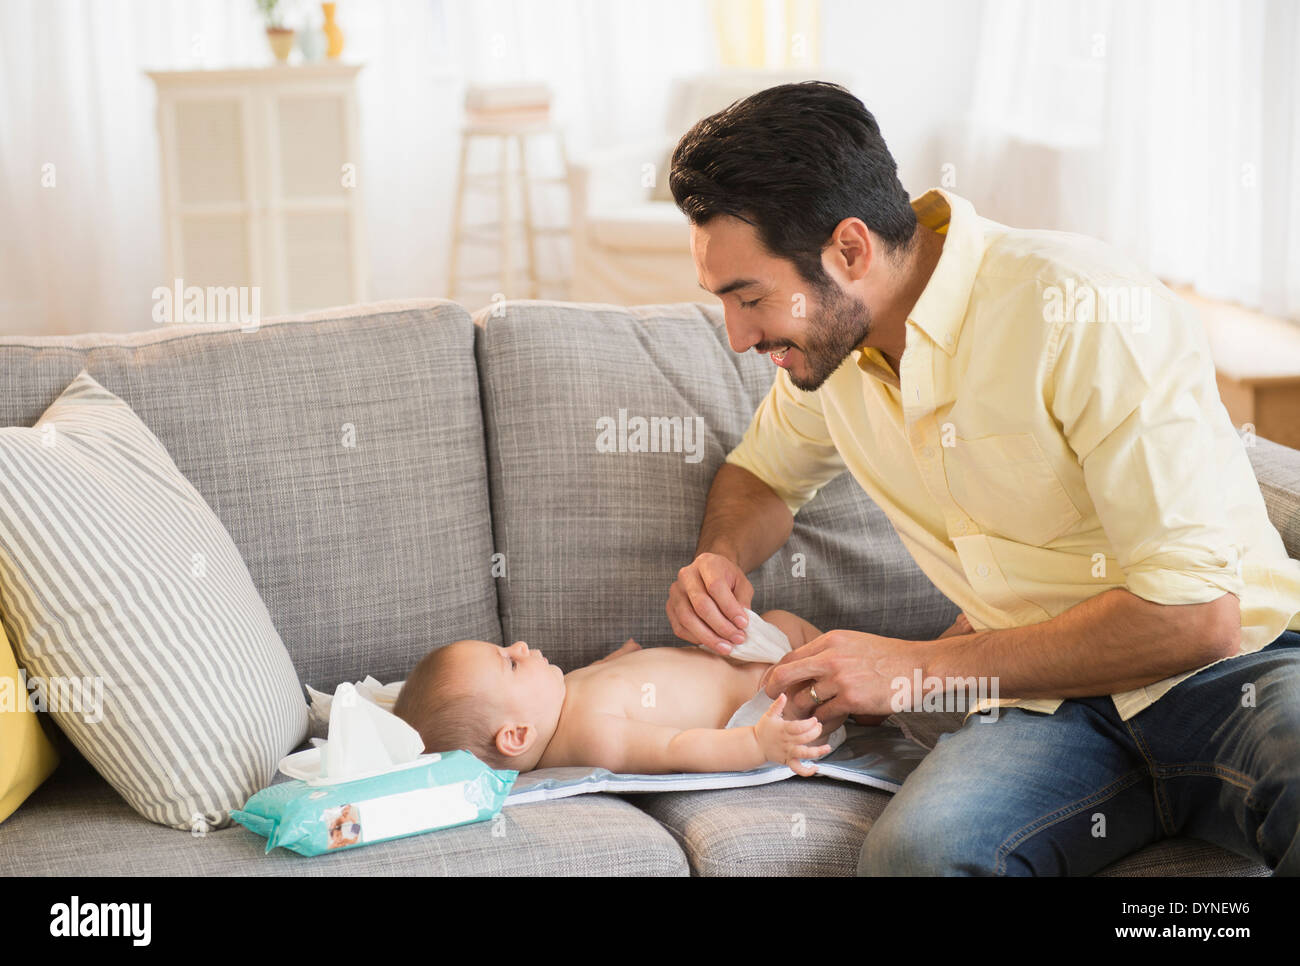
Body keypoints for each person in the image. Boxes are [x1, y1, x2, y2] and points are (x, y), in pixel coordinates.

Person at [663, 80, 1300, 875]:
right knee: (918, 860)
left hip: (1235, 671)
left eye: (749, 296)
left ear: (850, 250)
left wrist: (912, 669)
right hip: (1046, 707)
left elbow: (1197, 619)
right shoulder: (832, 360)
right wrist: (722, 555)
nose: (735, 335)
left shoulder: (1080, 308)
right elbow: (762, 473)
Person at [392, 609, 840, 776]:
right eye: (510, 662)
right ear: (515, 736)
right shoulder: (591, 737)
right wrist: (757, 742)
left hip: (749, 654)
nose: (521, 646)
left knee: (786, 622)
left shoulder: (558, 696)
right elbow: (676, 747)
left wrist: (616, 663)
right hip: (767, 705)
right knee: (823, 689)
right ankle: (865, 710)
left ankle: (872, 703)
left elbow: (601, 680)